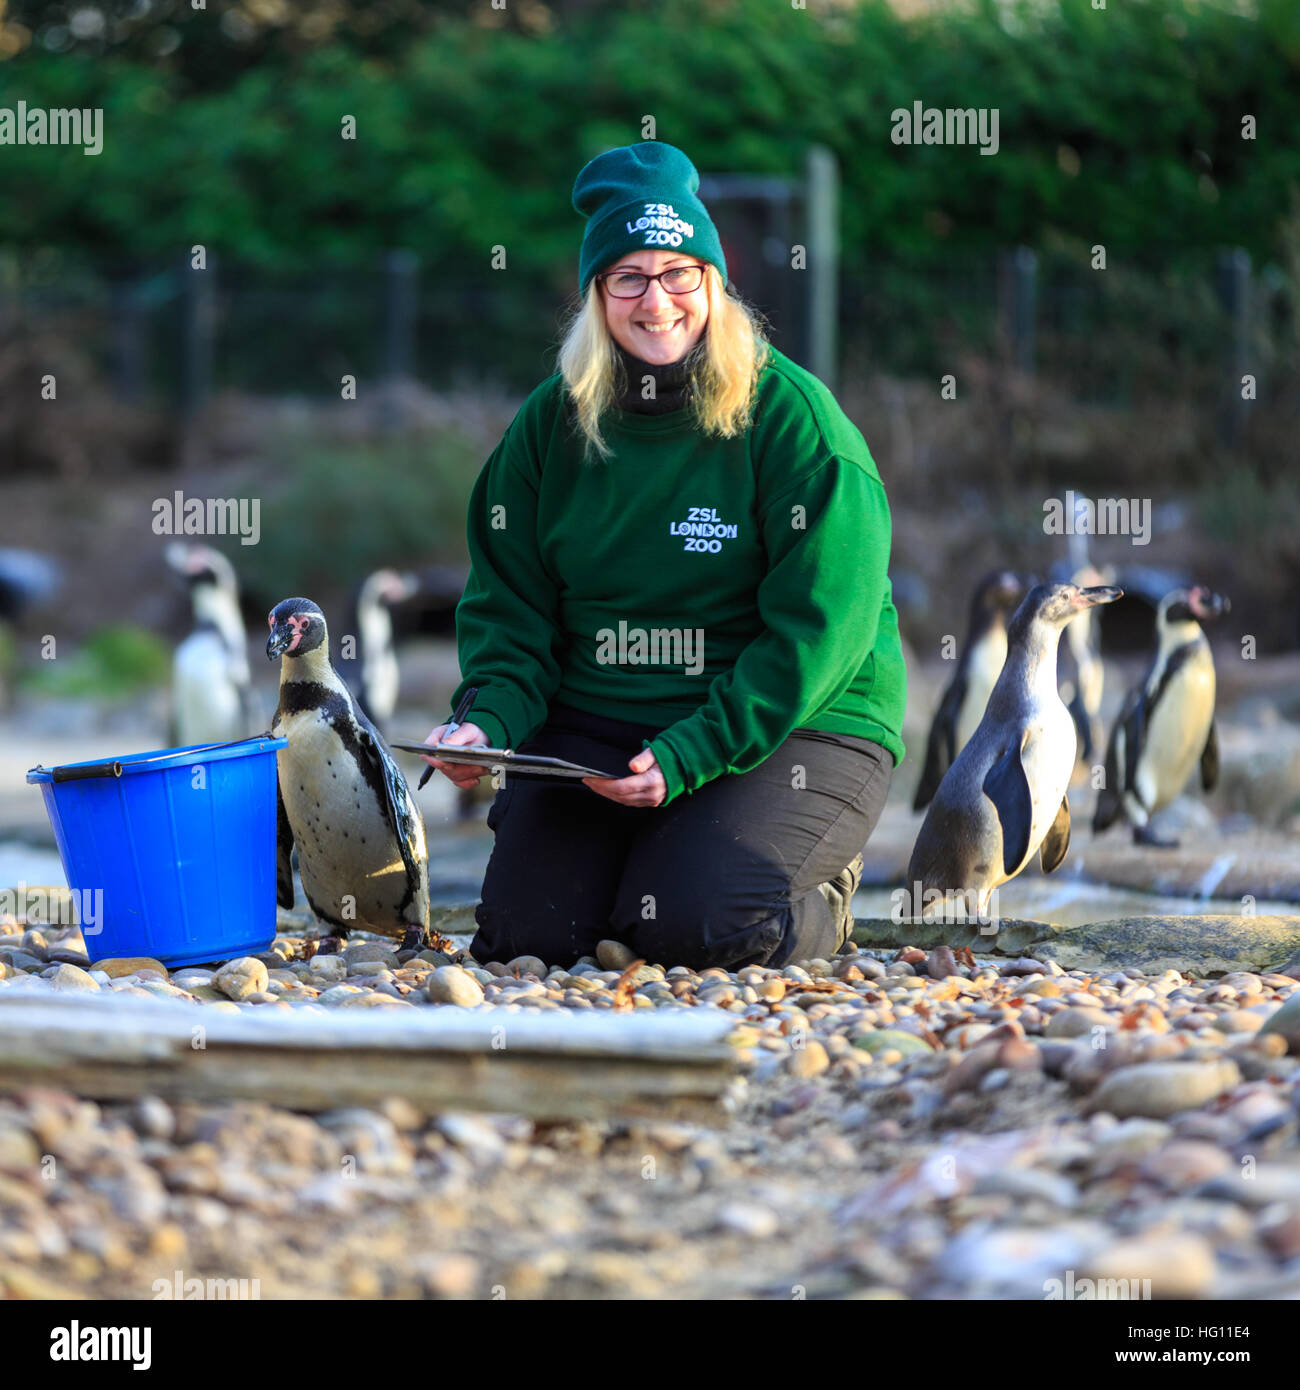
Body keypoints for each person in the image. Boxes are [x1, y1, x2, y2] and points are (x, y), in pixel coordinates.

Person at [421, 140, 906, 971]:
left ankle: (818, 895)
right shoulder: (550, 430)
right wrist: (486, 723)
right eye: (630, 277)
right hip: (599, 720)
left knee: (700, 926)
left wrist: (693, 754)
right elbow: (510, 613)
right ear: (597, 295)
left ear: (715, 284)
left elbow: (819, 635)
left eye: (681, 272)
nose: (658, 301)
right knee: (528, 940)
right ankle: (643, 861)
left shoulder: (797, 427)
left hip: (793, 724)